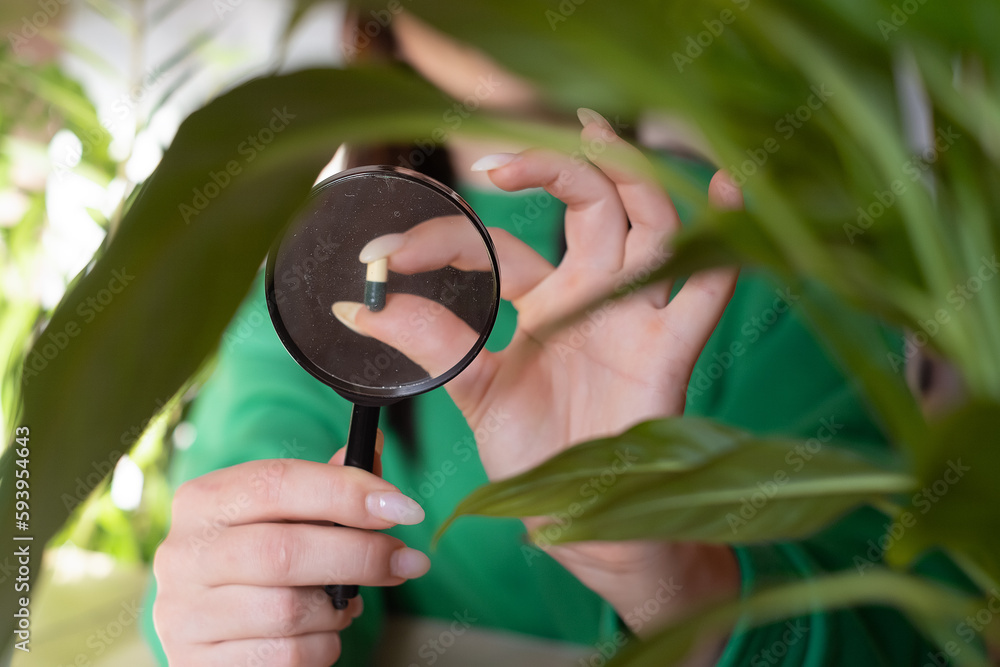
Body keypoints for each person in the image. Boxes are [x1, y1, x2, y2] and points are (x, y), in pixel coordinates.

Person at [142, 11, 972, 667]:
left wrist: (667, 571)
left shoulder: (776, 246)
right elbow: (246, 555)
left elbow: (926, 635)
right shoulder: (325, 270)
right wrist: (250, 617)